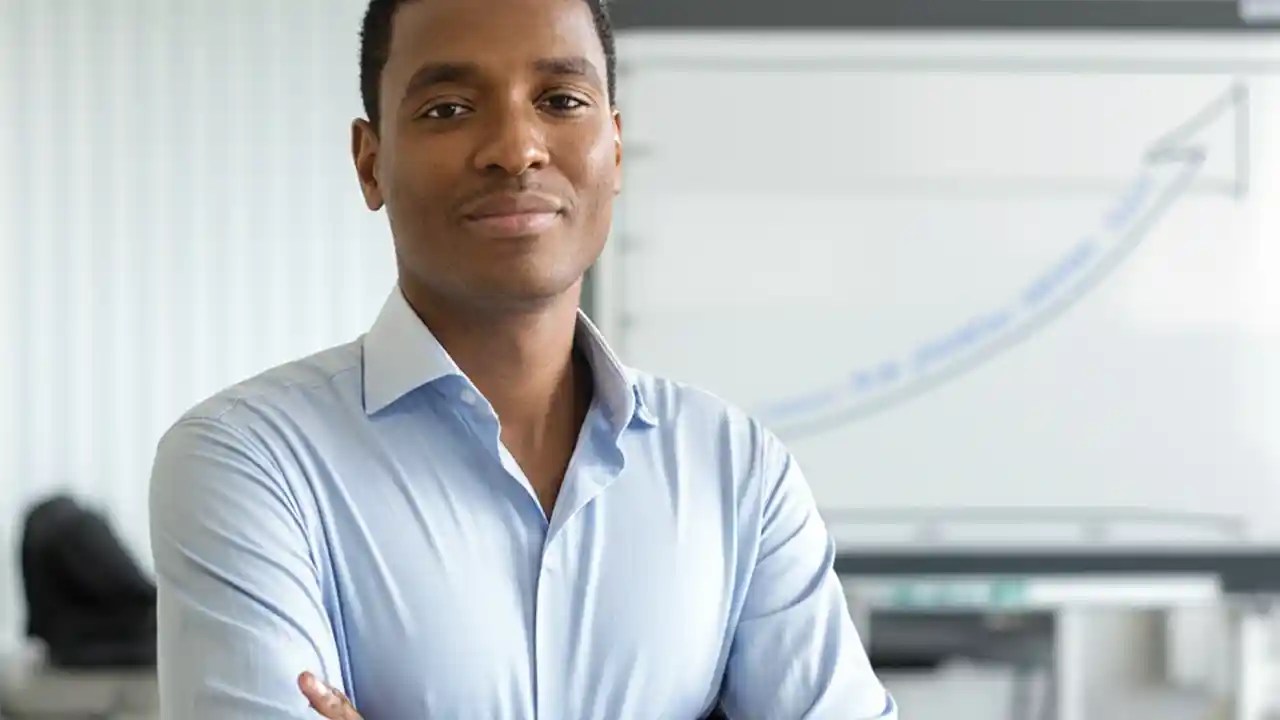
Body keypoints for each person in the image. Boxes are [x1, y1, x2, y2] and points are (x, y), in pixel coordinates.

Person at [148, 0, 897, 717]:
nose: (516, 149)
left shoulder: (735, 470)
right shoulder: (248, 461)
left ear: (615, 148)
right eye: (447, 109)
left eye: (561, 100)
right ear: (371, 164)